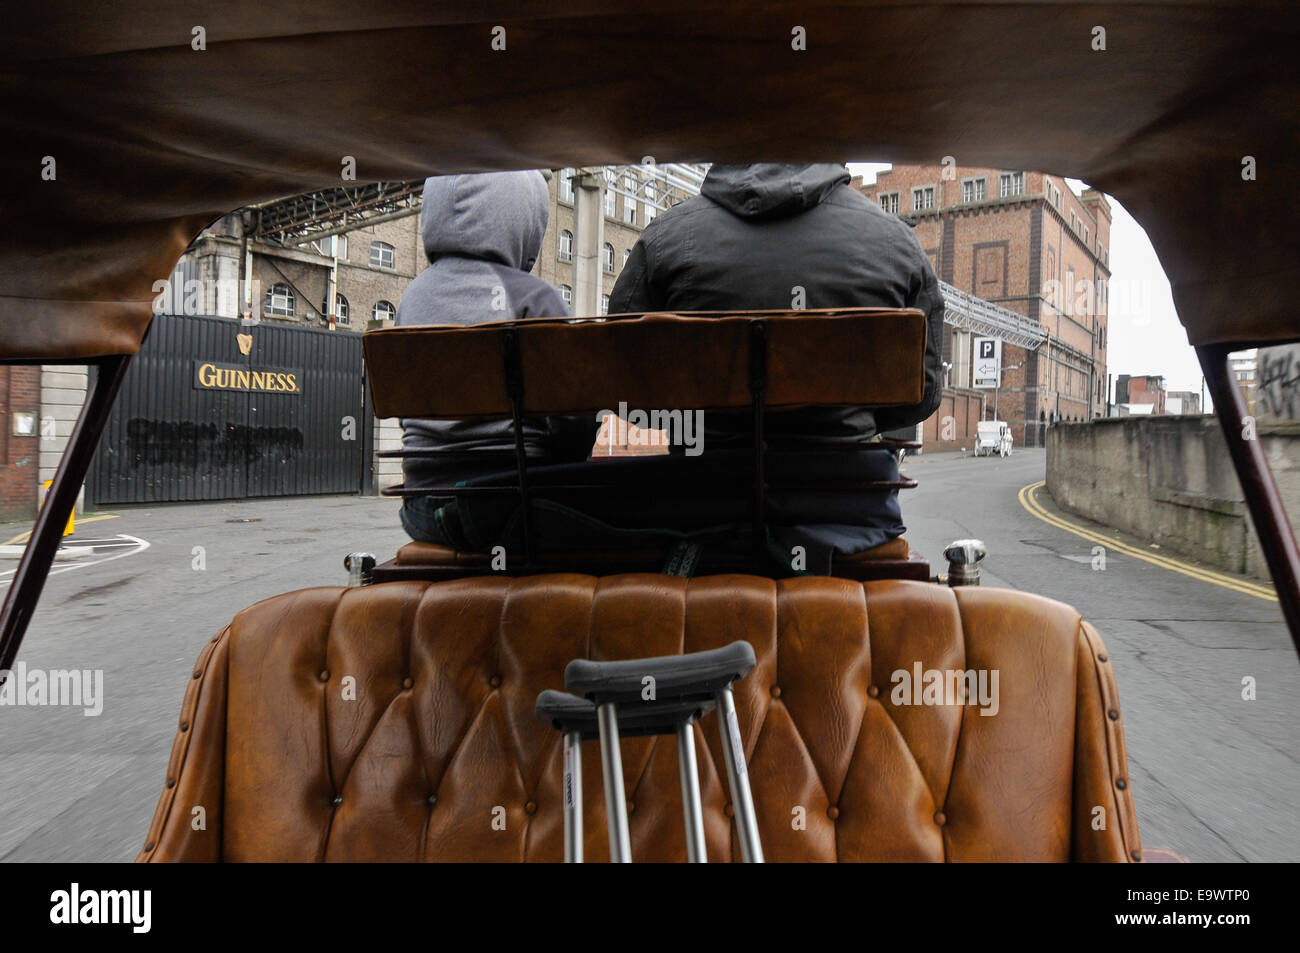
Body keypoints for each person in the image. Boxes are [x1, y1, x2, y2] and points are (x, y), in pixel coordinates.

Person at [603, 162, 947, 572]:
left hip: (704, 509)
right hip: (848, 512)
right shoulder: (899, 245)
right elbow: (919, 396)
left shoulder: (664, 239)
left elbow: (623, 382)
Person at [395, 171, 593, 547]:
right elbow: (574, 422)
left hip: (420, 508)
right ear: (524, 217)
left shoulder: (411, 297)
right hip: (514, 505)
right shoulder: (533, 297)